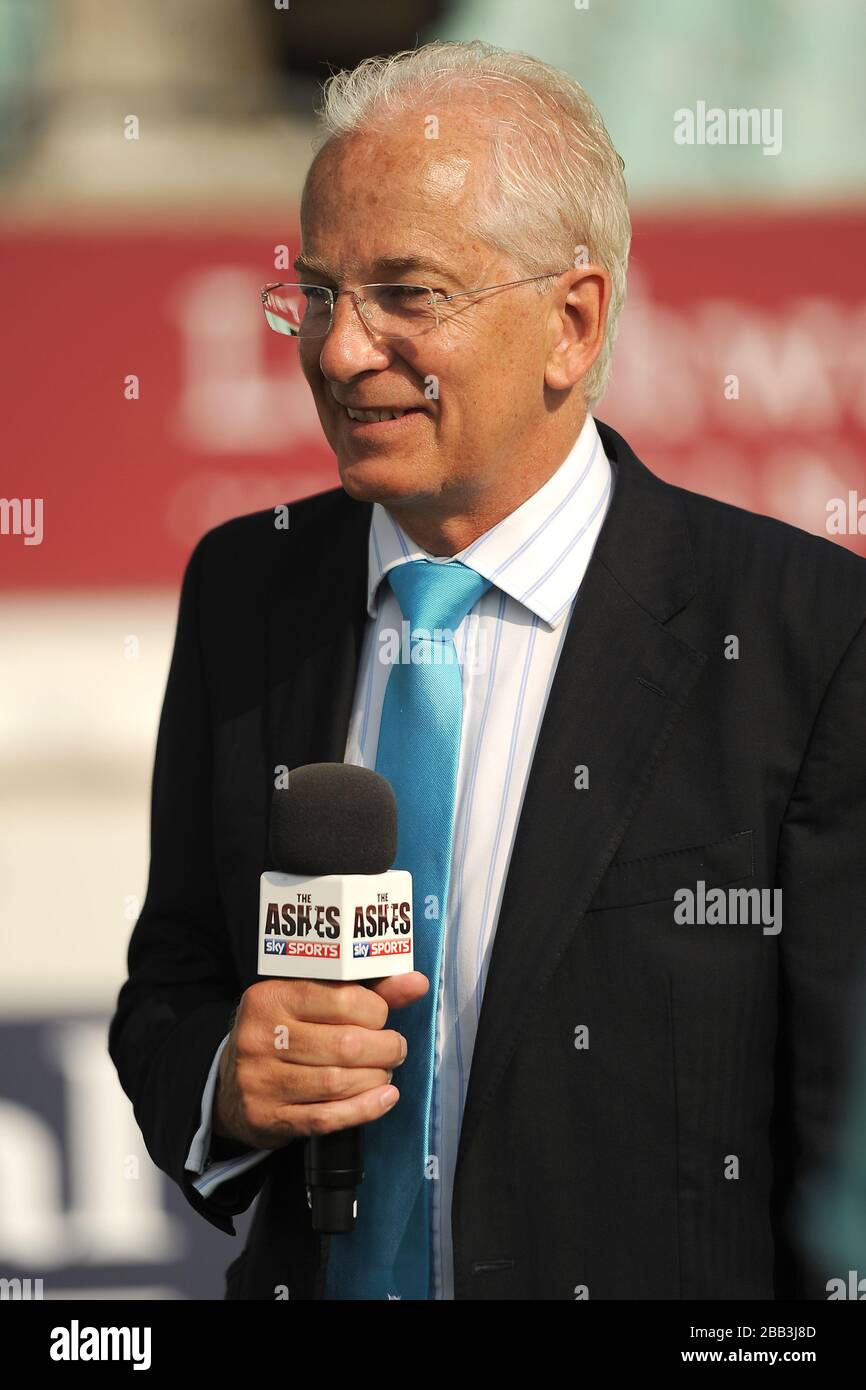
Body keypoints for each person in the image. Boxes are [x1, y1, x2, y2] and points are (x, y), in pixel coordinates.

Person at [108, 39, 866, 1300]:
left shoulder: (804, 633)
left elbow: (841, 1139)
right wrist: (228, 1086)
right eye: (317, 292)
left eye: (407, 294)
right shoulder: (247, 590)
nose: (341, 351)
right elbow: (173, 985)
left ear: (571, 321)